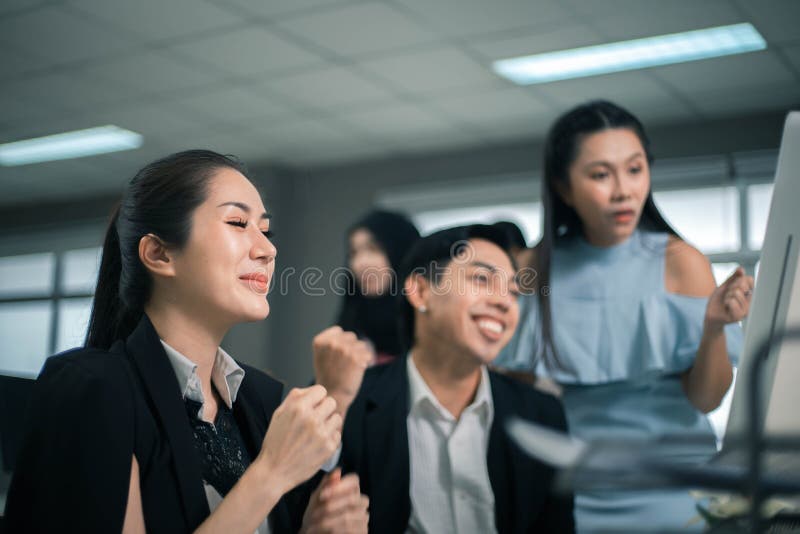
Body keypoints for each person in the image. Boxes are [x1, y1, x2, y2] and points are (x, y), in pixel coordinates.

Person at [5, 150, 368, 533]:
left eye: (266, 230)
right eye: (237, 222)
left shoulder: (260, 399)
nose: (267, 249)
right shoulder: (93, 388)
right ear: (159, 253)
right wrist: (271, 473)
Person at [495, 100, 755, 532]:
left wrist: (714, 328)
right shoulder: (534, 268)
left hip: (678, 487)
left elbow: (707, 399)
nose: (624, 190)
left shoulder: (680, 261)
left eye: (635, 170)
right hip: (576, 491)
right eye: (601, 174)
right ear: (563, 187)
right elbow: (517, 390)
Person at [310, 224, 575, 534]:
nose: (504, 303)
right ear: (421, 291)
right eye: (482, 279)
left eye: (513, 292)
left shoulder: (542, 414)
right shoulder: (349, 401)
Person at [336, 210, 420, 364]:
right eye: (354, 252)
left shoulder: (429, 334)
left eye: (373, 249)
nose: (360, 263)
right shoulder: (345, 335)